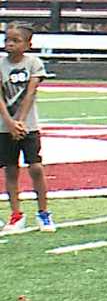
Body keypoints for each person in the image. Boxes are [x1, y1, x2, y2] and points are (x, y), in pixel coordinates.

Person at [0, 24, 53, 233]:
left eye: (15, 40)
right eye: (7, 40)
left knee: (36, 168)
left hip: (28, 127)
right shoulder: (1, 65)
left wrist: (20, 122)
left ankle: (43, 213)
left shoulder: (34, 64)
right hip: (5, 128)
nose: (10, 44)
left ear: (28, 44)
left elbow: (30, 94)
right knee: (10, 170)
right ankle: (16, 214)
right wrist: (10, 123)